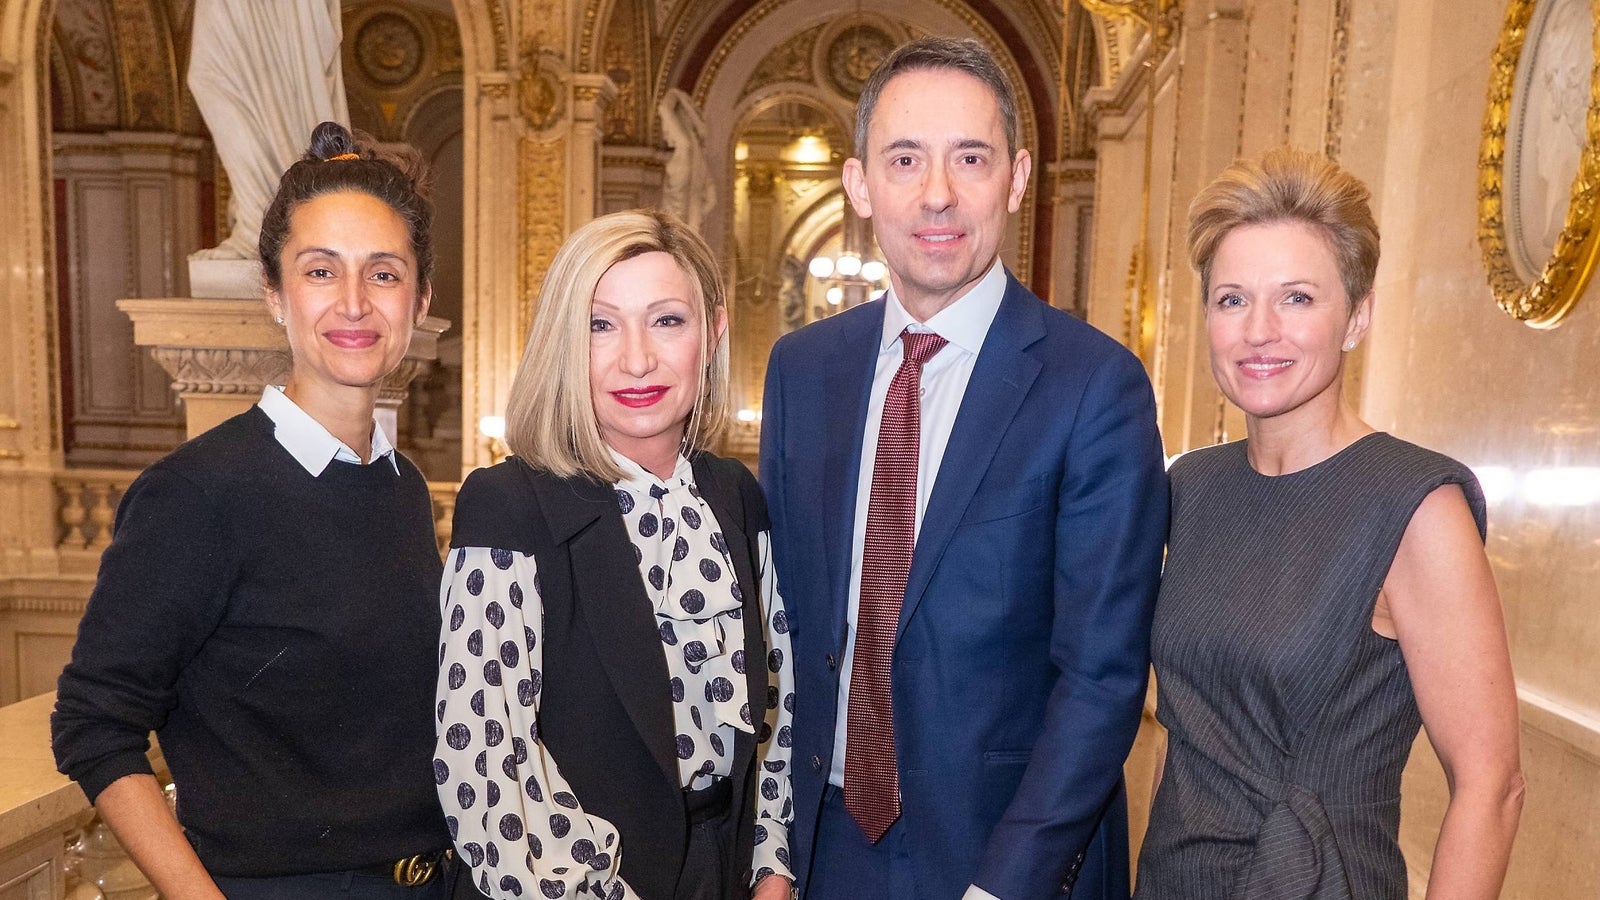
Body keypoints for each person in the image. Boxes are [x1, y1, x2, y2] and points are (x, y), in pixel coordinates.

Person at [760, 37, 1168, 900]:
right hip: (821, 849)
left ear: (1016, 179)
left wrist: (1003, 886)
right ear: (859, 184)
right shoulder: (802, 370)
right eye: (905, 159)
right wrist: (771, 853)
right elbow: (789, 629)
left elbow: (1100, 677)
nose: (937, 193)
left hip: (1004, 861)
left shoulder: (1094, 386)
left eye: (969, 159)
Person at [52, 121, 455, 898]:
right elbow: (93, 726)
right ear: (273, 294)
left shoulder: (400, 485)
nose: (353, 303)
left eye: (383, 273)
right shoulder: (199, 494)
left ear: (421, 297)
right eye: (319, 271)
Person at [1134, 147, 1524, 899]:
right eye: (1232, 300)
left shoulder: (1415, 504)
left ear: (1357, 317)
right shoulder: (1192, 487)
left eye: (1298, 299)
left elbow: (1493, 785)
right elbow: (1185, 729)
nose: (1259, 331)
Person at [434, 209, 795, 900]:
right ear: (564, 343)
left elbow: (781, 703)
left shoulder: (734, 496)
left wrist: (771, 866)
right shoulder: (507, 504)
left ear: (712, 334)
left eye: (667, 321)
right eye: (601, 325)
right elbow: (483, 762)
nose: (637, 359)